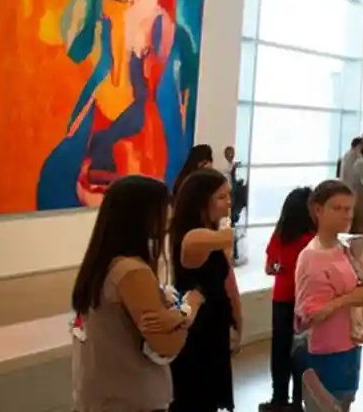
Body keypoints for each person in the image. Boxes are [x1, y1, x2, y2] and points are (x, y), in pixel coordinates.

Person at [71, 175, 204, 412]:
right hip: (132, 398)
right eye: (163, 208)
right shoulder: (131, 272)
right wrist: (187, 311)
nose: (169, 215)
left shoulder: (103, 266)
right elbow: (166, 344)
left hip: (104, 396)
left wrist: (173, 315)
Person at [295, 180, 363, 411]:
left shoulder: (343, 248)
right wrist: (351, 298)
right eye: (337, 208)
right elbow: (310, 314)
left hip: (350, 344)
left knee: (345, 401)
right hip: (328, 349)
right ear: (318, 210)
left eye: (348, 209)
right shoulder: (312, 257)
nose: (345, 215)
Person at [168, 168, 238, 412]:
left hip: (214, 325)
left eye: (229, 195)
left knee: (207, 399)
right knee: (194, 397)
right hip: (198, 330)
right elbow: (223, 238)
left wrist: (236, 321)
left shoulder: (209, 233)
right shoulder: (194, 236)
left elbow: (227, 281)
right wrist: (225, 233)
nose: (228, 202)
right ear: (201, 200)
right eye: (221, 197)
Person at [259, 187, 314, 412]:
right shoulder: (313, 240)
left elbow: (270, 268)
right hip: (305, 300)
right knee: (302, 350)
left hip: (281, 298)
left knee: (280, 349)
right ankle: (298, 400)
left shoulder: (281, 235)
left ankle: (279, 396)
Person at [341, 138, 363, 235]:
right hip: (360, 195)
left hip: (347, 192)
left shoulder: (346, 156)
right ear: (360, 146)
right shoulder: (361, 161)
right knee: (362, 222)